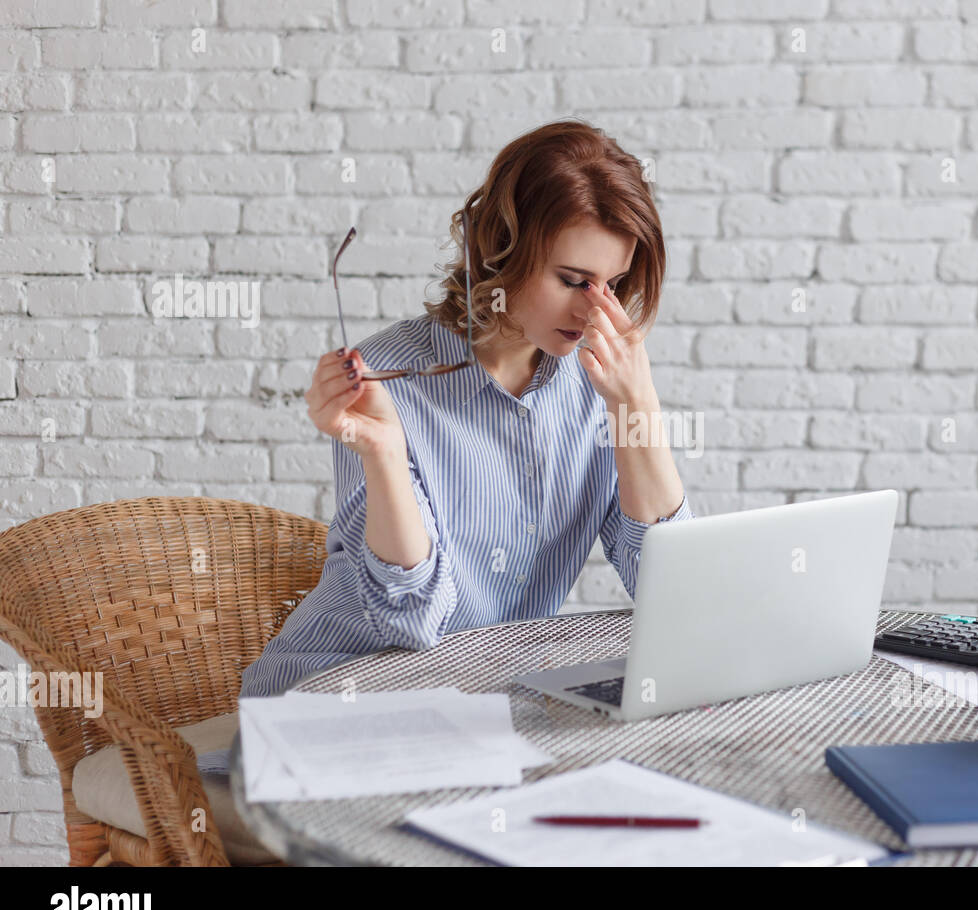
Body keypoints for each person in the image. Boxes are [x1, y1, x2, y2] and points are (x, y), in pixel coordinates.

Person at [239, 120, 694, 698]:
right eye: (573, 280)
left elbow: (668, 593)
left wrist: (640, 406)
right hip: (339, 692)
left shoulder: (596, 386)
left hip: (482, 702)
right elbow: (412, 620)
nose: (594, 312)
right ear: (499, 249)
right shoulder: (388, 381)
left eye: (614, 283)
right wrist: (384, 453)